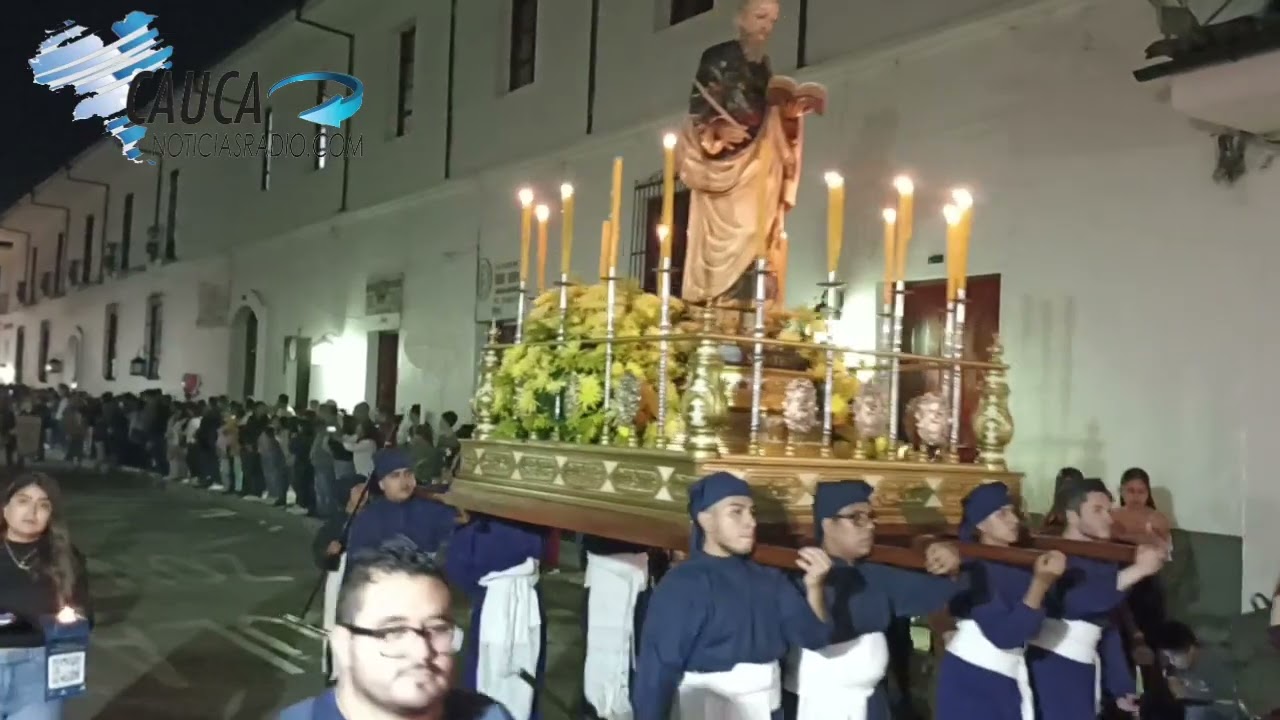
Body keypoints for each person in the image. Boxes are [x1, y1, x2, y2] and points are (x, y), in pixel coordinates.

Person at [632, 471, 833, 720]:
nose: (751, 522)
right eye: (736, 511)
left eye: (752, 512)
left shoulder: (770, 580)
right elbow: (657, 671)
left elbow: (815, 638)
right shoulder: (683, 585)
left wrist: (815, 586)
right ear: (706, 520)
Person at [782, 480, 964, 720]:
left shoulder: (876, 573)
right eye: (856, 518)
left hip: (873, 704)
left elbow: (944, 590)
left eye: (870, 517)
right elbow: (813, 635)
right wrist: (815, 586)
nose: (868, 526)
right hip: (820, 705)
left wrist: (950, 561)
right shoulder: (797, 575)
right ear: (827, 524)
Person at [279, 543, 514, 720]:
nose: (422, 651)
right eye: (393, 632)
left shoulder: (491, 716)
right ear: (343, 645)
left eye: (437, 629)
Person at [1027, 477, 1166, 720]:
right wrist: (1137, 570)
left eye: (1108, 510)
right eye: (1097, 510)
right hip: (1052, 662)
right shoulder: (1053, 555)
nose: (1108, 518)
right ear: (1072, 515)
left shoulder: (1104, 556)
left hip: (1086, 665)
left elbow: (1107, 622)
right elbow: (1078, 602)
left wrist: (1121, 686)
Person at [935, 482, 1064, 720]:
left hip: (1006, 672)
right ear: (981, 524)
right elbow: (1005, 635)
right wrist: (1040, 584)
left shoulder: (1018, 563)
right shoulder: (973, 570)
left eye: (1012, 511)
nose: (1014, 519)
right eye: (1002, 514)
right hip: (973, 676)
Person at [0, 472, 92, 720]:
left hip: (38, 672)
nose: (32, 511)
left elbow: (85, 614)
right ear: (5, 509)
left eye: (43, 505)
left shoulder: (66, 558)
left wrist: (72, 618)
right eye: (23, 501)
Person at [446, 515, 546, 720]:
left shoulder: (477, 533)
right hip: (511, 601)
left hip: (504, 601)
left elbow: (457, 566)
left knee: (496, 685)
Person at [344, 448, 458, 558]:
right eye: (395, 476)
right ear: (381, 484)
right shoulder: (367, 519)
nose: (404, 481)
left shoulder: (435, 510)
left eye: (408, 474)